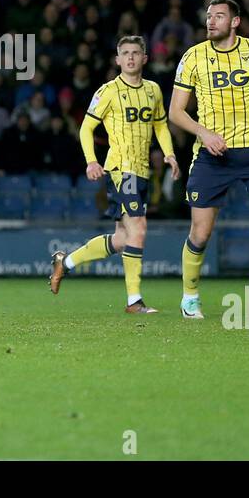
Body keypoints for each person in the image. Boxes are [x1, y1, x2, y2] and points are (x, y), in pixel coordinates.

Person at [169, 0, 249, 319]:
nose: (211, 21)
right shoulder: (193, 57)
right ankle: (190, 296)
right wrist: (204, 134)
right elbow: (175, 112)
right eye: (209, 16)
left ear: (235, 22)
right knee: (201, 233)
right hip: (211, 155)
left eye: (219, 16)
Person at [49, 35, 178, 314]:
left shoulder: (154, 90)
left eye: (135, 53)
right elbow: (86, 129)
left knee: (122, 239)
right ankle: (134, 301)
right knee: (139, 229)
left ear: (144, 59)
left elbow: (161, 126)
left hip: (142, 171)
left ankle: (65, 262)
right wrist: (91, 161)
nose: (130, 58)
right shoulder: (107, 91)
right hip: (121, 168)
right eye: (125, 53)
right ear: (117, 60)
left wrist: (169, 153)